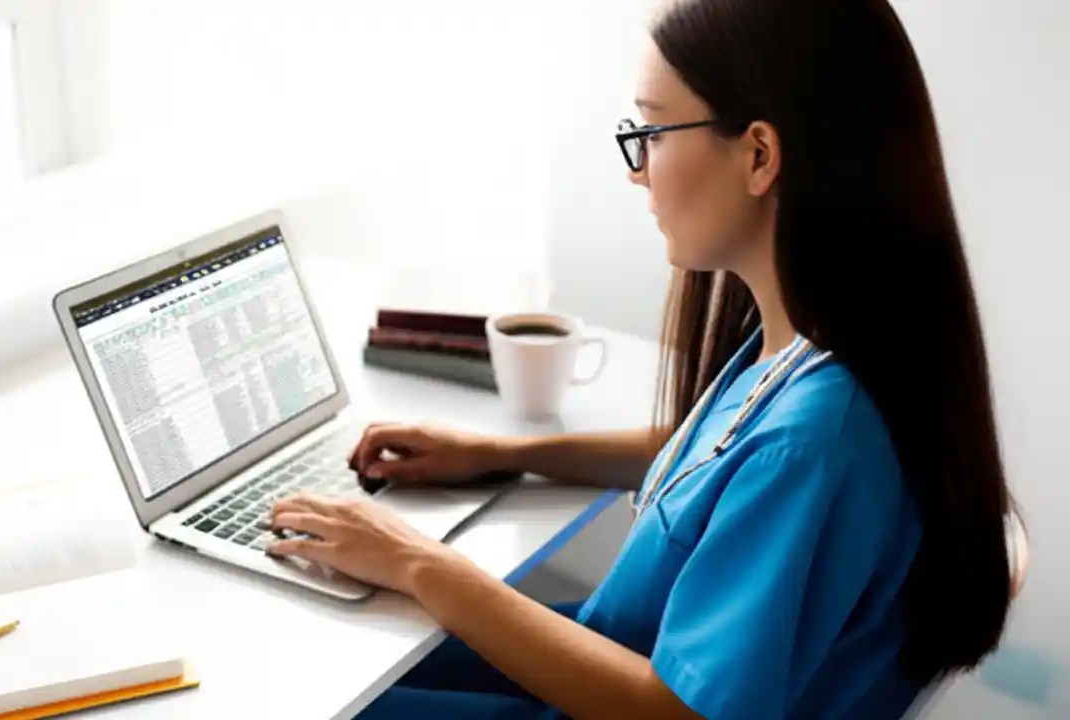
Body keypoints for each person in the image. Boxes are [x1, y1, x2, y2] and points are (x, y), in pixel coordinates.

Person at [267, 0, 1014, 717]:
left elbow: (679, 712)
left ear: (759, 154)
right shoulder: (821, 353)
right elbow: (718, 463)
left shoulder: (814, 439)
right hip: (600, 665)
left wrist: (419, 561)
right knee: (333, 657)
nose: (636, 170)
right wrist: (501, 453)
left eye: (652, 132)